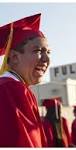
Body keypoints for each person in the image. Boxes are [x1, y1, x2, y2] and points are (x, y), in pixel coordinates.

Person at [0, 14, 50, 147]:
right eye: (38, 50)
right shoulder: (12, 90)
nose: (46, 59)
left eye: (48, 52)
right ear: (15, 57)